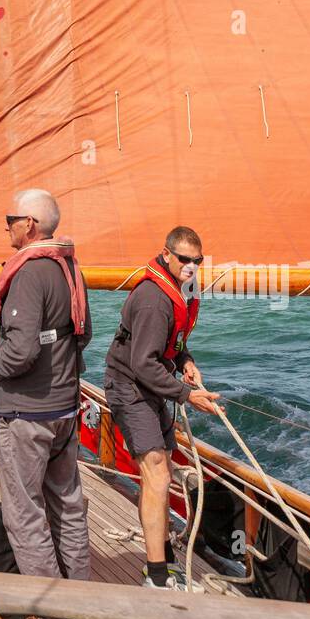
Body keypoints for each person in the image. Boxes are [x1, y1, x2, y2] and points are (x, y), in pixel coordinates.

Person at [0, 188, 93, 619]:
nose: (6, 225)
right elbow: (82, 335)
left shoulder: (29, 275)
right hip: (64, 409)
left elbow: (23, 348)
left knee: (24, 515)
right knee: (67, 506)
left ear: (29, 224)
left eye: (11, 218)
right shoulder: (70, 268)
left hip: (27, 414)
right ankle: (83, 614)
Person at [103, 226, 221, 589]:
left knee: (162, 470)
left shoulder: (180, 292)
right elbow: (143, 363)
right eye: (184, 259)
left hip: (150, 386)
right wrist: (187, 396)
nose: (190, 267)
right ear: (166, 254)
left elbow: (167, 345)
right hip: (130, 387)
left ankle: (163, 559)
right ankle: (156, 573)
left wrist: (184, 358)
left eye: (197, 261)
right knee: (157, 474)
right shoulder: (154, 300)